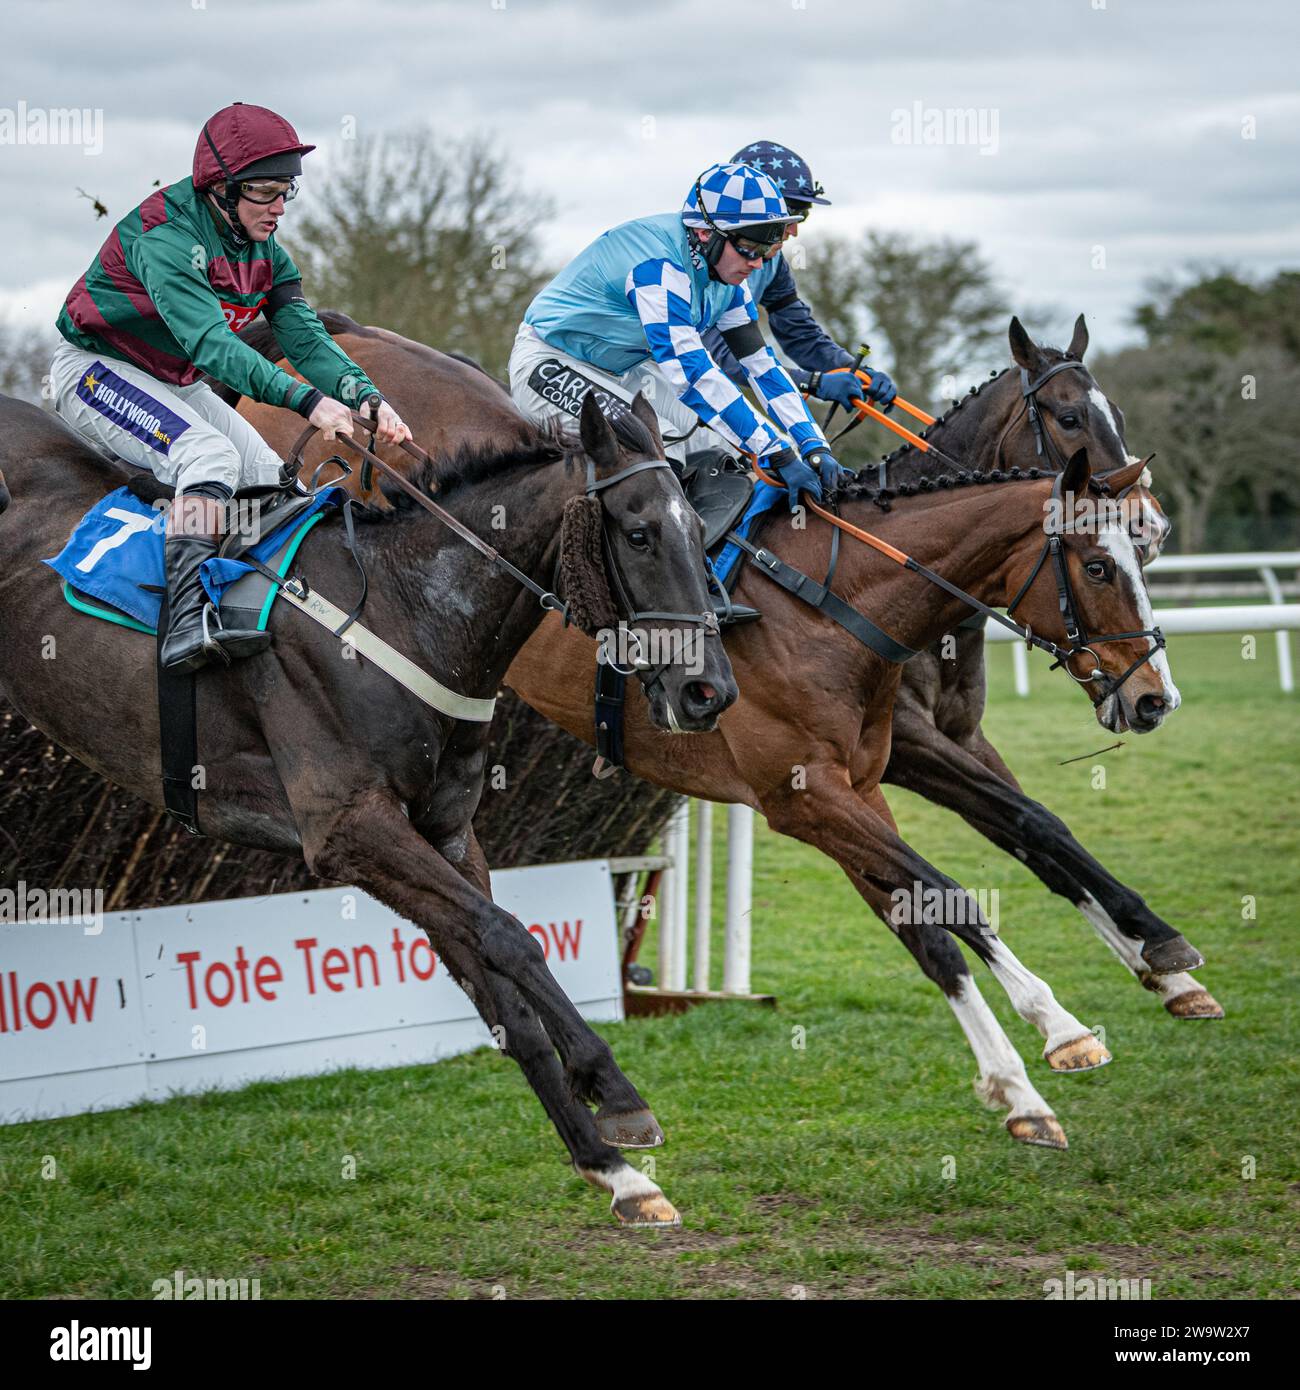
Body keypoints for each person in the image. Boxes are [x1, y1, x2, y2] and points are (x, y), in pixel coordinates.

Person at [50, 101, 412, 671]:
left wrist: (363, 394)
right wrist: (309, 403)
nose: (279, 209)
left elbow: (306, 339)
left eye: (287, 191)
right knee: (209, 457)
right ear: (221, 189)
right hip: (98, 370)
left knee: (272, 482)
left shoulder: (267, 253)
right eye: (265, 192)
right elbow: (213, 348)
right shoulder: (165, 238)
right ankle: (184, 617)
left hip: (172, 382)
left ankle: (248, 602)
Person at [509, 161, 846, 522]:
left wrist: (811, 445)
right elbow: (692, 373)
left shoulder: (727, 277)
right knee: (653, 449)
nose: (758, 264)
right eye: (749, 247)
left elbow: (762, 368)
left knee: (721, 449)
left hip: (623, 369)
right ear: (705, 233)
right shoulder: (658, 267)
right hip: (549, 360)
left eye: (769, 249)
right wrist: (777, 452)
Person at [703, 140, 897, 418]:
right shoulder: (710, 264)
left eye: (802, 215)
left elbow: (801, 335)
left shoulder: (773, 266)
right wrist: (812, 382)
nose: (794, 230)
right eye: (789, 214)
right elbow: (724, 357)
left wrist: (853, 370)